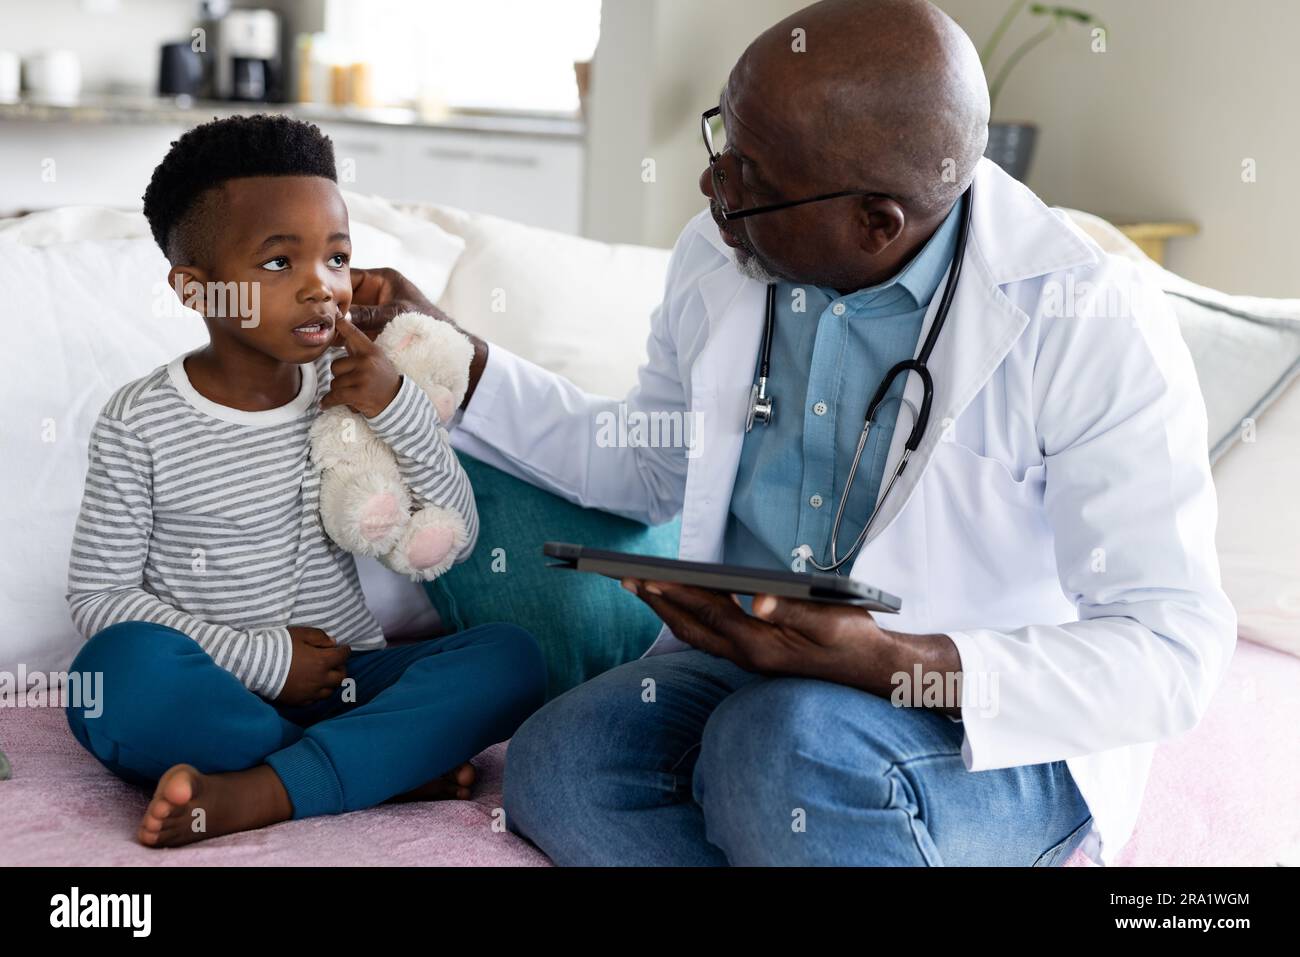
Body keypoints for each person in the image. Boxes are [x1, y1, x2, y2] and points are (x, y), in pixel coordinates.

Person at [349, 0, 1235, 866]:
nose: (713, 186)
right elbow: (650, 465)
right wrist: (460, 365)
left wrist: (894, 661)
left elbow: (1171, 649)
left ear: (875, 221)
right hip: (757, 665)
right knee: (564, 765)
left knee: (777, 752)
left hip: (987, 714)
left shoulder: (1082, 314)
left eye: (752, 177)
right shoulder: (726, 250)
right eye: (724, 142)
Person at [64, 114, 545, 848]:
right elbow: (101, 598)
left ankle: (269, 785)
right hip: (220, 689)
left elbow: (453, 533)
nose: (322, 287)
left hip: (351, 680)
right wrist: (268, 661)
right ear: (198, 291)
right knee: (109, 676)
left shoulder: (355, 385)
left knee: (511, 657)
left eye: (338, 257)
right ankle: (368, 768)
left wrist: (399, 405)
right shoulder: (140, 420)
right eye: (280, 263)